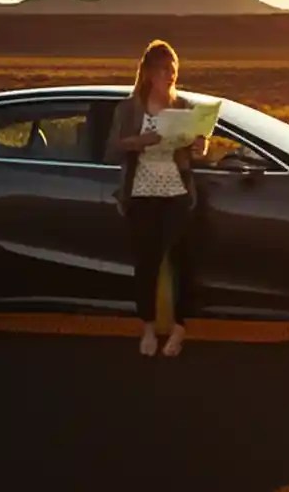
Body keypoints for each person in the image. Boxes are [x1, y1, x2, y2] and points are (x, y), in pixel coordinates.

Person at [104, 39, 207, 357]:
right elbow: (111, 151)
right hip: (141, 195)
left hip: (177, 194)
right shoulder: (129, 108)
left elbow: (199, 152)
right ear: (148, 73)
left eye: (174, 68)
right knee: (146, 263)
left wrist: (199, 147)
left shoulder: (185, 107)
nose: (170, 74)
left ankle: (178, 330)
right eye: (163, 69)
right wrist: (141, 140)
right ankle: (148, 329)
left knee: (182, 263)